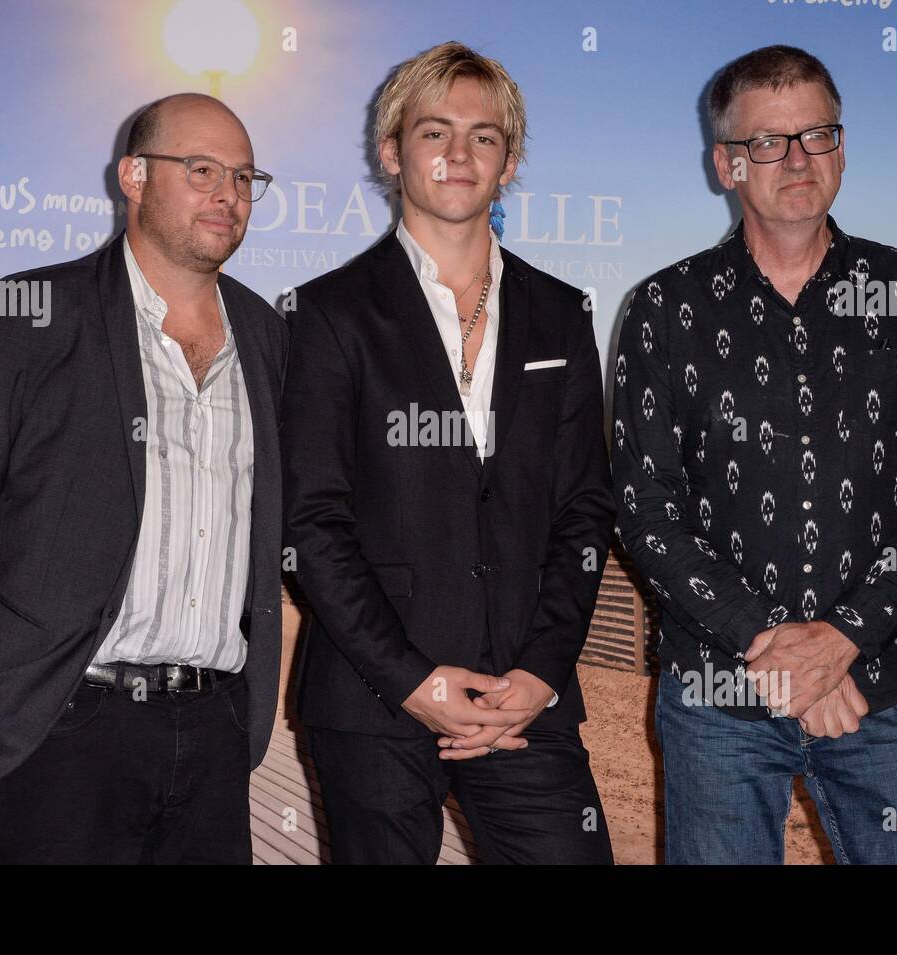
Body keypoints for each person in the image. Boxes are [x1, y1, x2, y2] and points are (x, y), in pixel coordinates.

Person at [613, 45, 897, 864]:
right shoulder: (663, 309)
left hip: (885, 686)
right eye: (767, 142)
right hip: (720, 693)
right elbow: (644, 506)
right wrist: (774, 646)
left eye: (817, 135)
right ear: (726, 164)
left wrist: (843, 637)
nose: (796, 159)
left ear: (842, 150)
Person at [0, 93, 288, 863]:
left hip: (214, 729)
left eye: (245, 178)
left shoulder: (271, 336)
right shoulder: (23, 315)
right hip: (65, 722)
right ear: (134, 176)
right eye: (202, 168)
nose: (228, 195)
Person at [282, 42, 614, 864]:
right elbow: (311, 522)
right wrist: (414, 681)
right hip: (373, 701)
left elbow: (585, 509)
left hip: (524, 703)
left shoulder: (562, 314)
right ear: (393, 153)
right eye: (435, 132)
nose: (460, 154)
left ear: (509, 164)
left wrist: (541, 672)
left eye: (485, 136)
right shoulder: (327, 314)